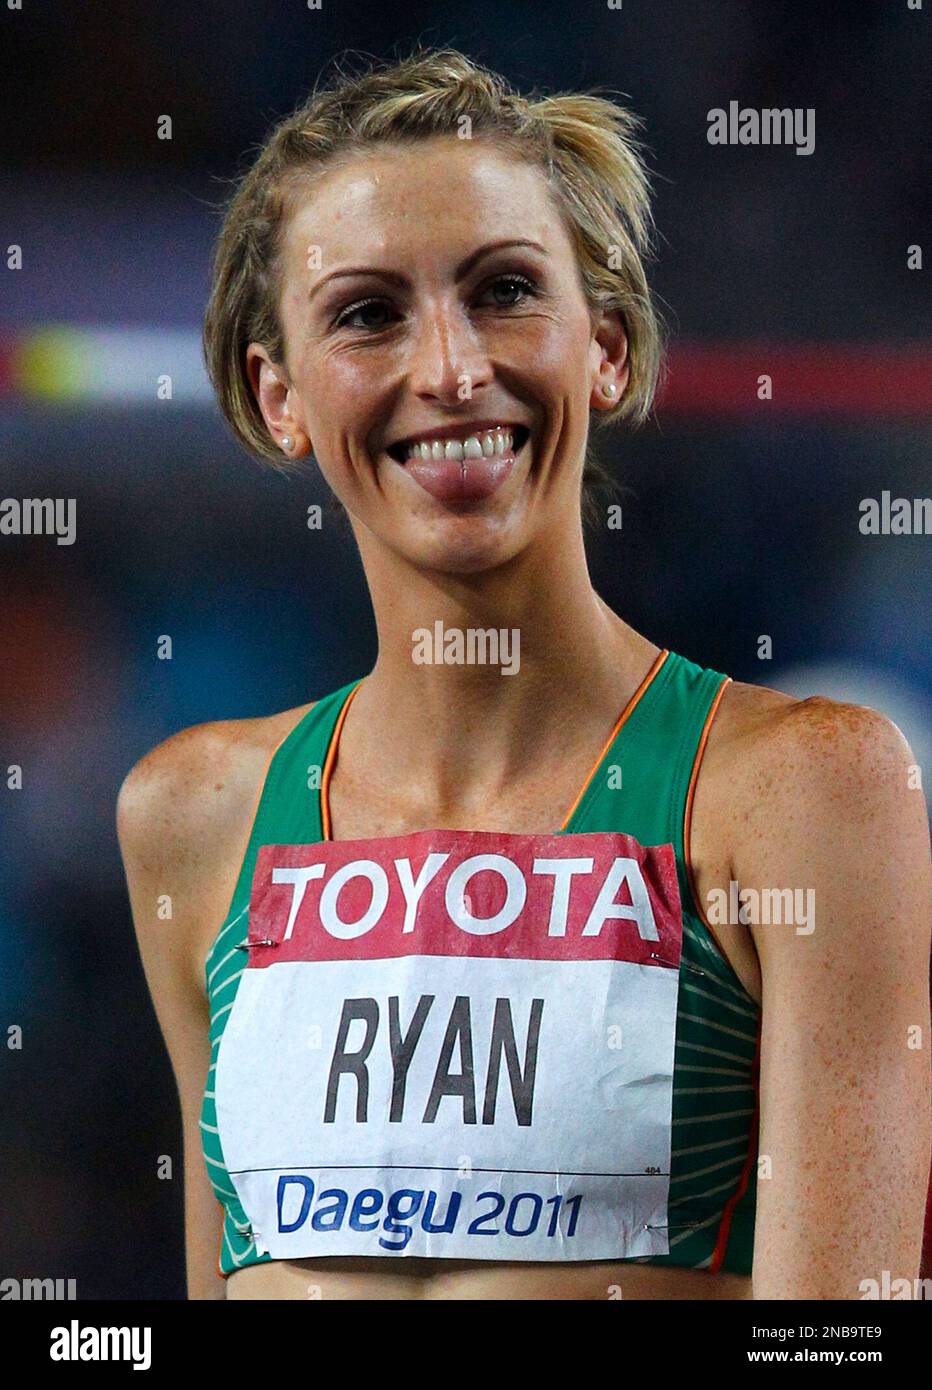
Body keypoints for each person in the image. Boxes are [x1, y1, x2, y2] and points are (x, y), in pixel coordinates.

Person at [117, 48, 931, 1301]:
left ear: (603, 348)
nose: (447, 369)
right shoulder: (190, 814)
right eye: (366, 312)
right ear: (276, 396)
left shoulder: (805, 789)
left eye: (501, 290)